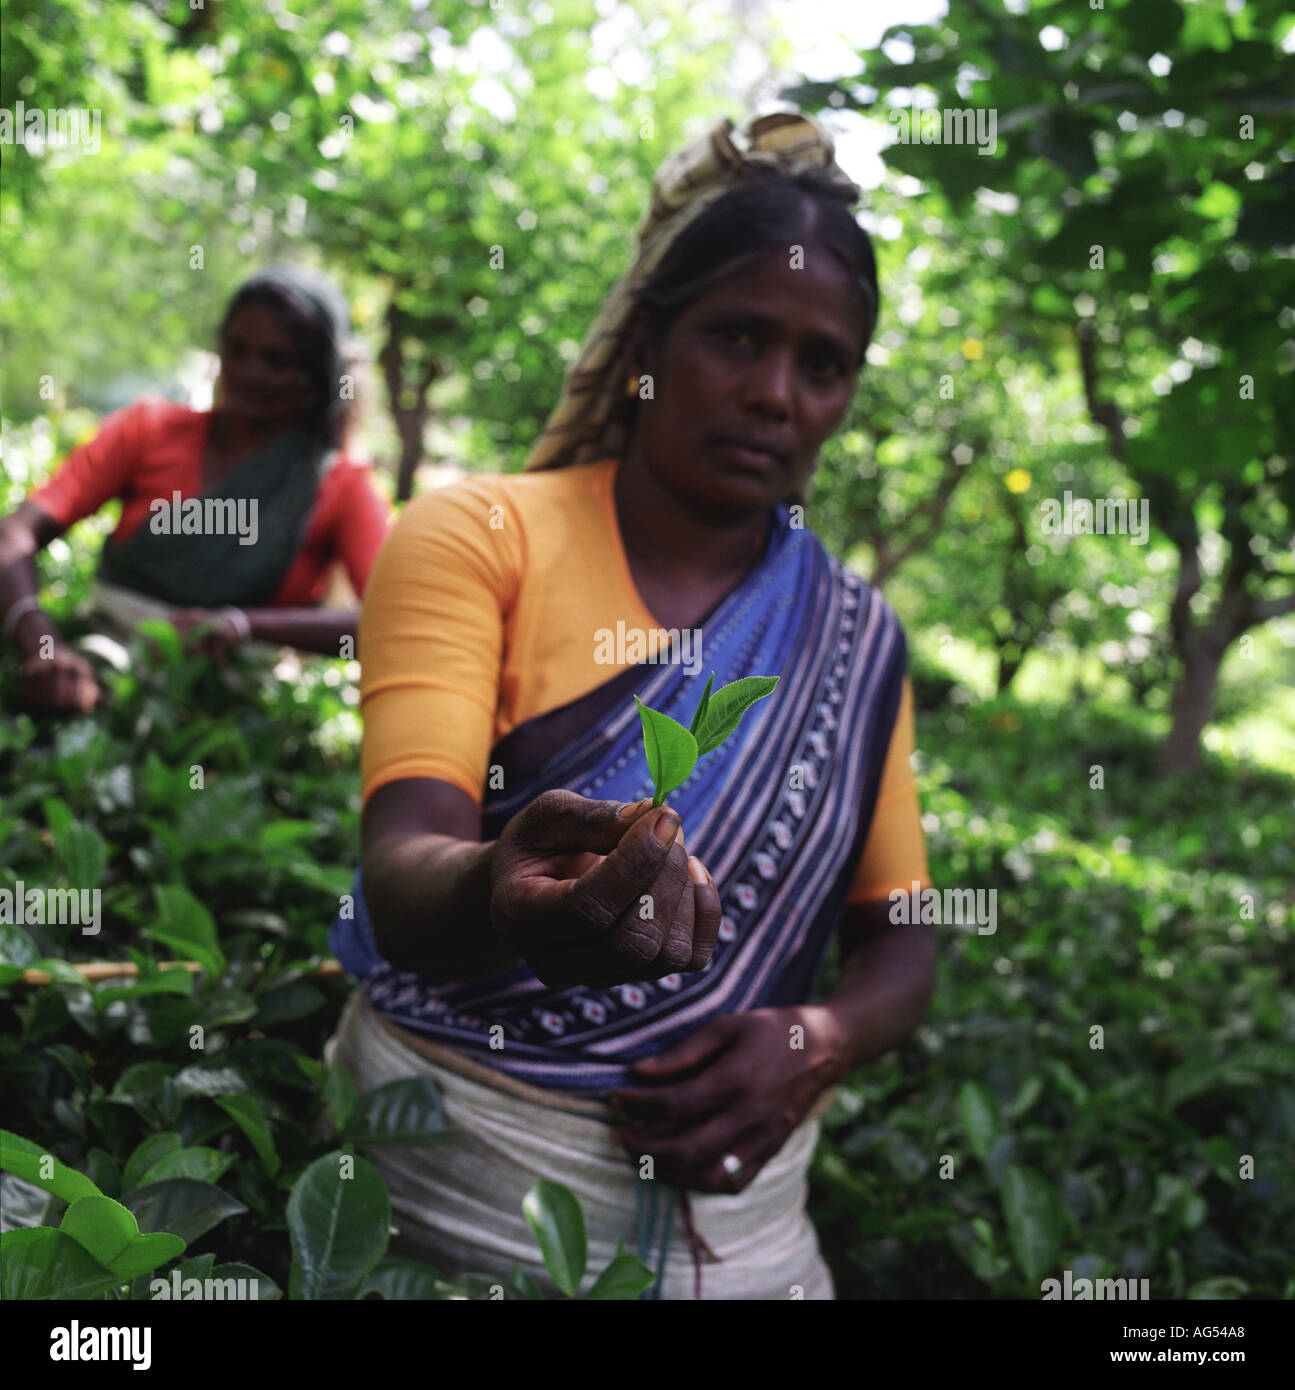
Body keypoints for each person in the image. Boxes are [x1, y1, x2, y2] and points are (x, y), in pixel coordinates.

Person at [324, 112, 936, 1300]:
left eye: (821, 364)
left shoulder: (858, 638)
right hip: (455, 1174)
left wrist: (817, 1040)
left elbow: (900, 943)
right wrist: (497, 888)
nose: (772, 394)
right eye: (736, 336)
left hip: (737, 1224)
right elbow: (401, 865)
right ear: (650, 342)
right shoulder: (479, 536)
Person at [0, 264, 394, 715]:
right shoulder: (147, 432)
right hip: (98, 677)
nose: (250, 372)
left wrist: (243, 626)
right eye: (237, 350)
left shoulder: (342, 488)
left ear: (315, 376)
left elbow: (395, 621)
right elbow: (14, 536)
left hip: (229, 721)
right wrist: (41, 643)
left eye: (276, 360)